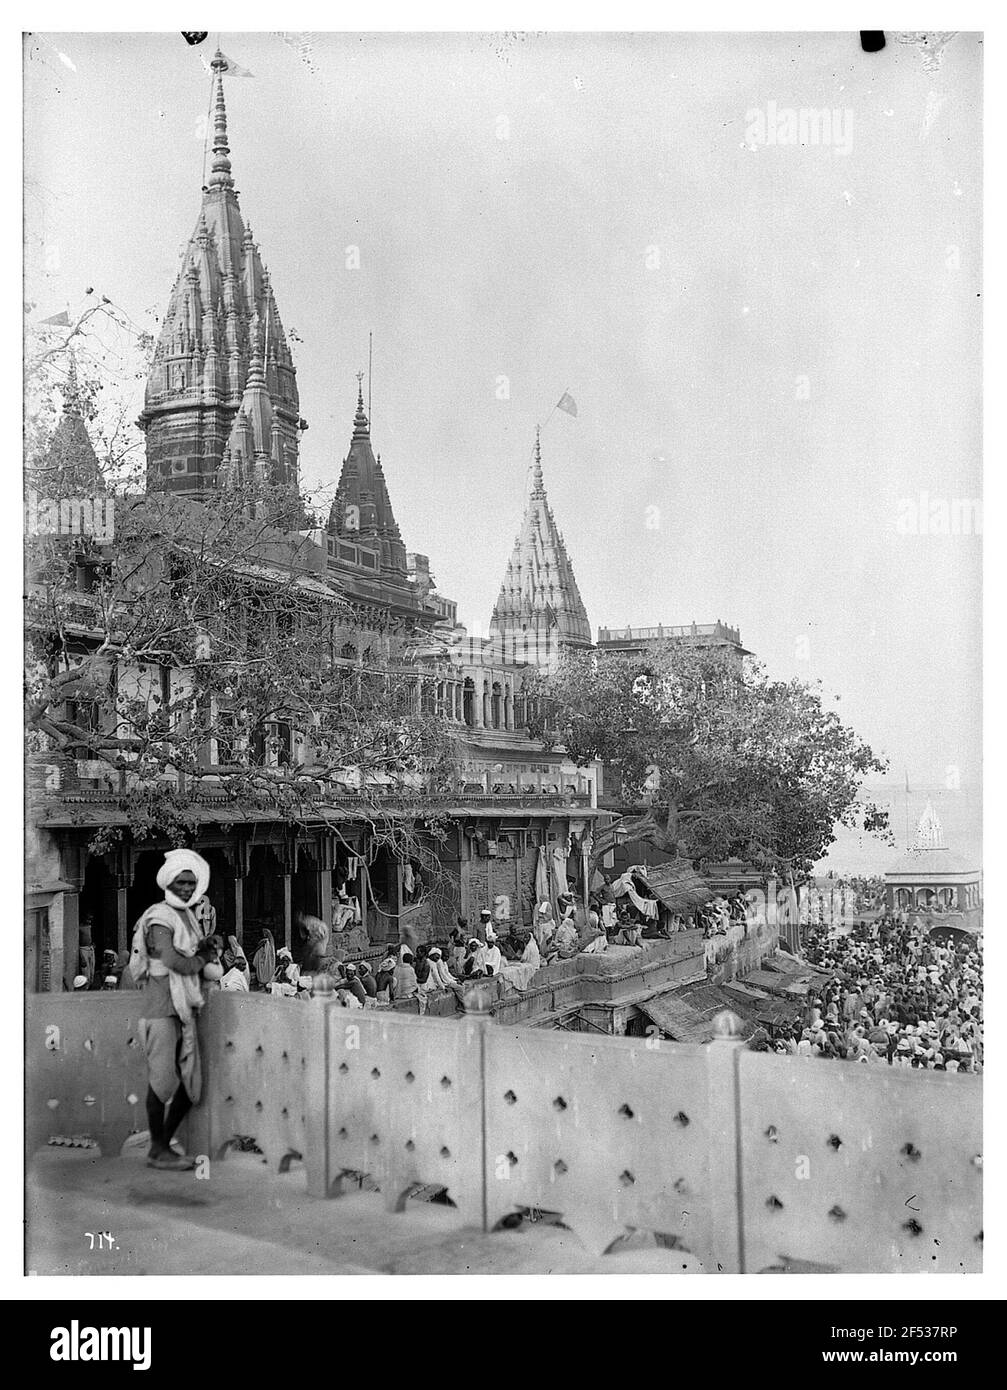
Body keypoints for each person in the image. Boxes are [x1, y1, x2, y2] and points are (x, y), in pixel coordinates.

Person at [130, 848, 220, 1171]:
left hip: (183, 1007)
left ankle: (162, 1145)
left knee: (188, 1081)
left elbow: (190, 954)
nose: (185, 887)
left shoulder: (188, 915)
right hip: (160, 1006)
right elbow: (170, 959)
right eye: (181, 882)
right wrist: (201, 961)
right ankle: (158, 1148)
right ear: (169, 882)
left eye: (190, 882)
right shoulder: (159, 916)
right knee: (162, 1080)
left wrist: (205, 950)